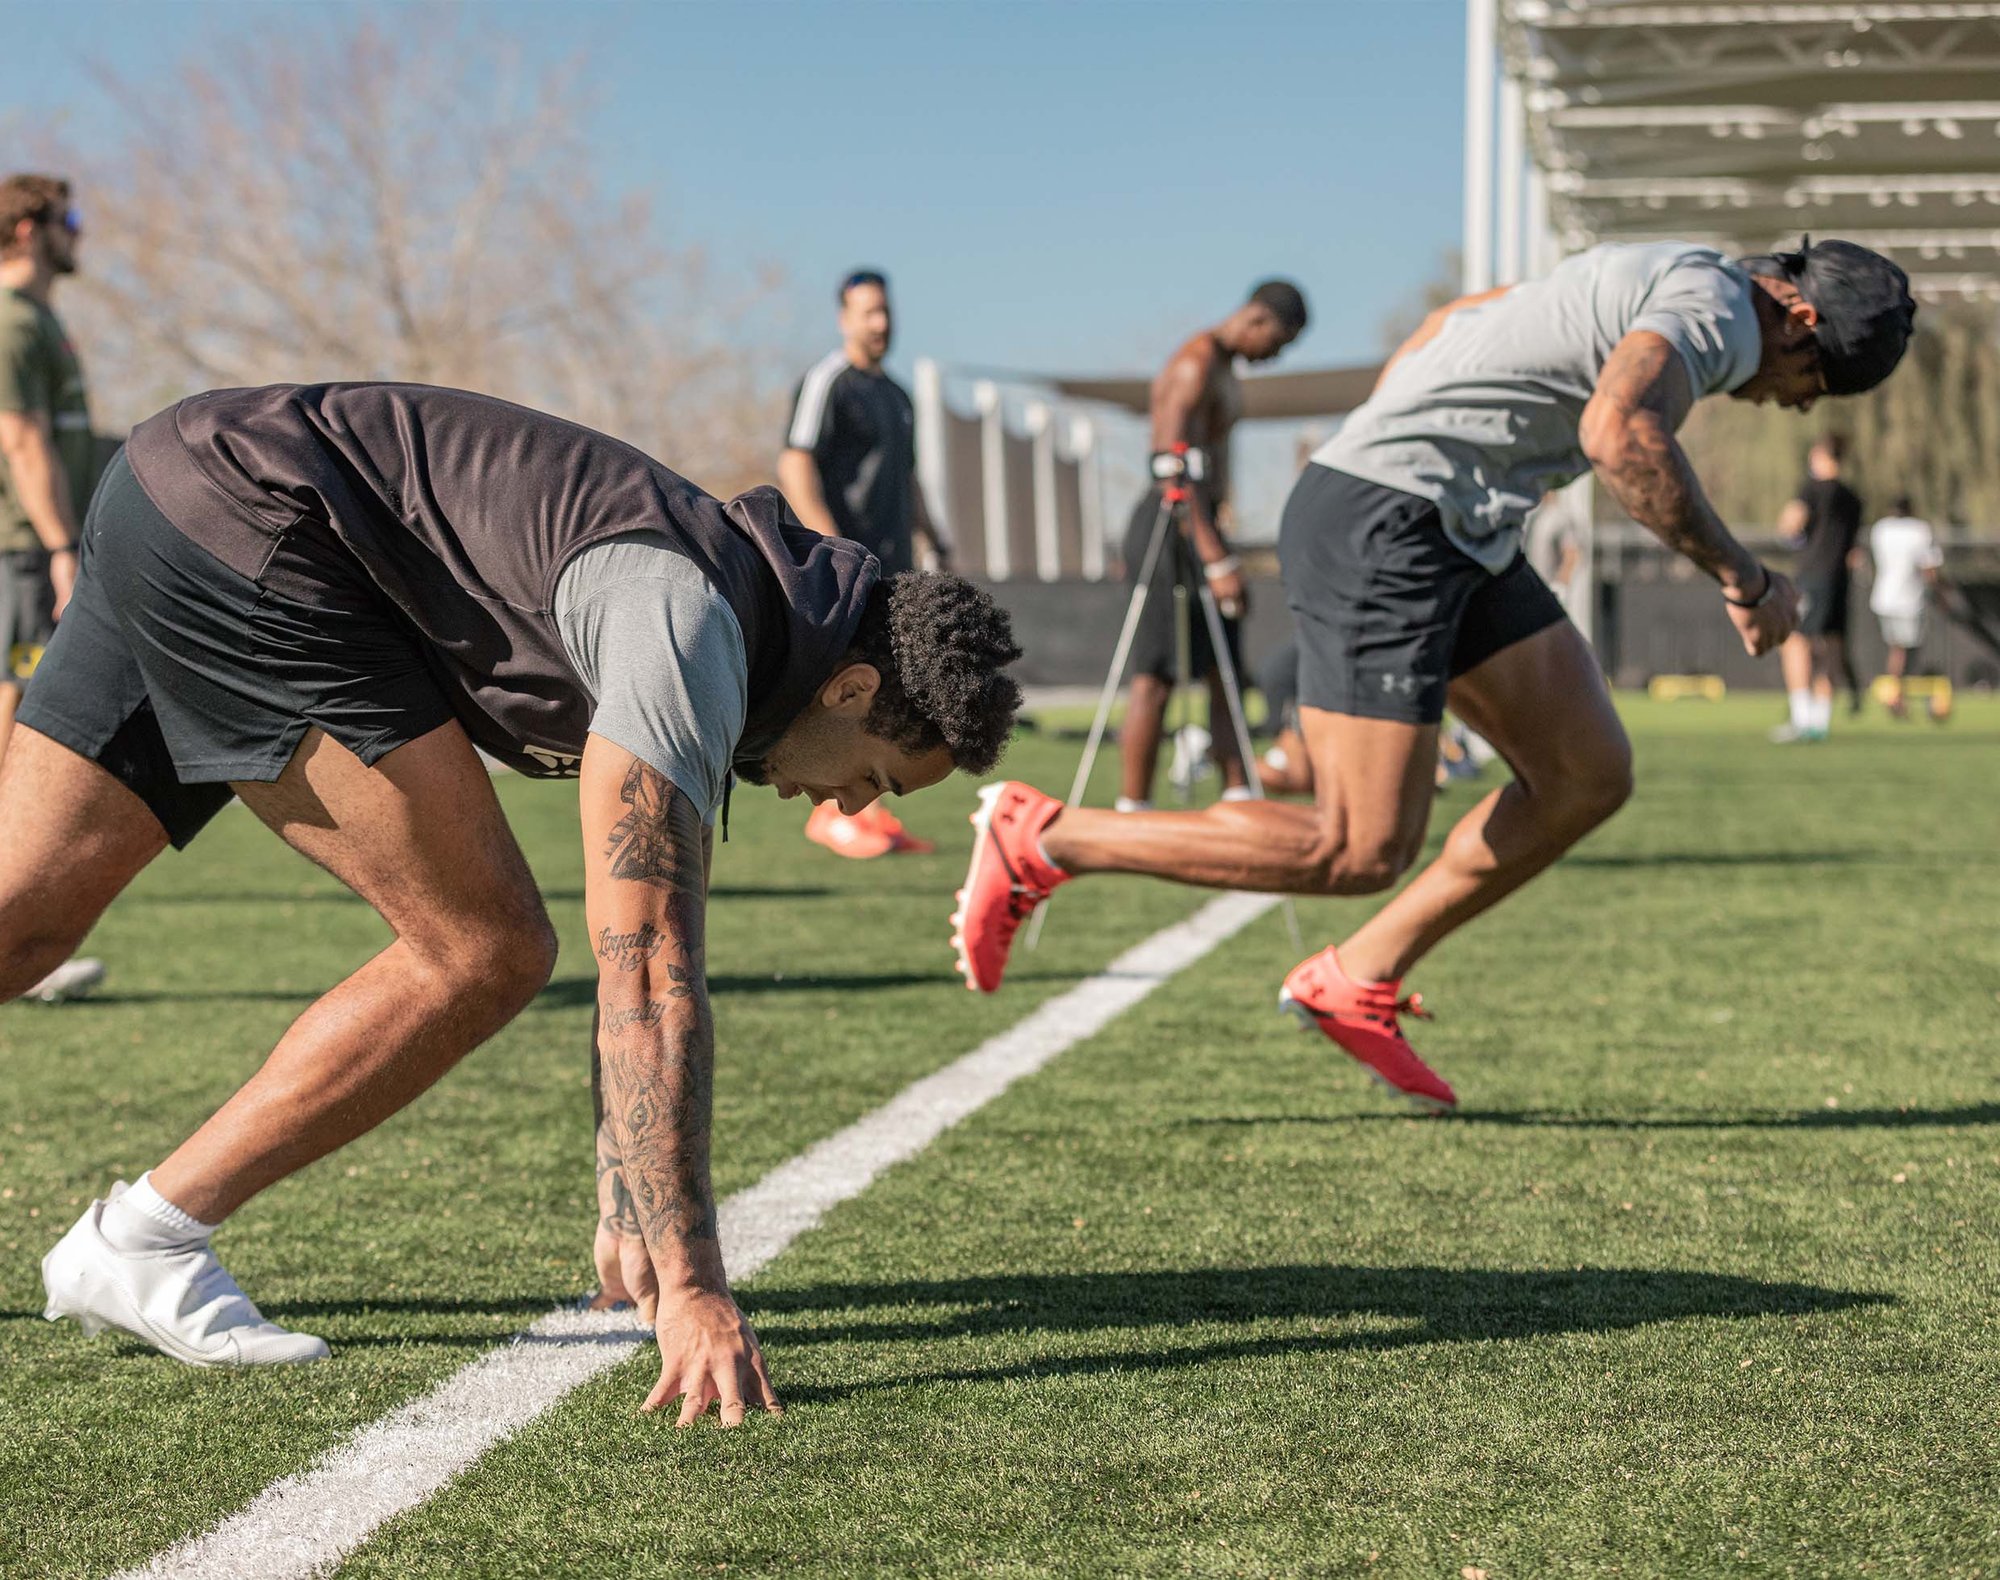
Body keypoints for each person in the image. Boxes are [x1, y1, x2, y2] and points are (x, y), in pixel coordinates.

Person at [13, 382, 1023, 1423]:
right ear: (851, 691)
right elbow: (645, 964)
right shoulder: (691, 630)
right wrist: (692, 1285)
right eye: (877, 776)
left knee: (21, 925)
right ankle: (143, 1236)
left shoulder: (756, 626)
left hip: (169, 484)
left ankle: (139, 1239)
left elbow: (639, 933)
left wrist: (629, 1183)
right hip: (255, 530)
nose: (853, 801)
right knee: (482, 949)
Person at [951, 237, 1915, 1112]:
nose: (1793, 402)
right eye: (1812, 378)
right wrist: (1743, 580)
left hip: (1453, 526)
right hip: (1391, 523)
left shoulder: (1676, 266)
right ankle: (1046, 839)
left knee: (1587, 771)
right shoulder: (1717, 313)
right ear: (1797, 316)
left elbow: (1456, 318)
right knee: (1356, 850)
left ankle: (1356, 977)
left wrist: (1407, 429)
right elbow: (1619, 435)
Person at [1115, 281, 1308, 812]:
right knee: (1155, 674)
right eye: (1279, 342)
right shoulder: (1193, 365)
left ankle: (1241, 797)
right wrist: (1216, 557)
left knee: (1224, 670)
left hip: (1203, 529)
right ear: (1257, 320)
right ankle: (1135, 809)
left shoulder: (1225, 368)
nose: (1276, 356)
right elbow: (1170, 469)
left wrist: (1220, 540)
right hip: (1167, 527)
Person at [780, 268, 947, 859]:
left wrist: (935, 538)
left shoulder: (898, 396)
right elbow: (796, 462)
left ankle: (865, 815)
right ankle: (828, 816)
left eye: (885, 311)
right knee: (842, 688)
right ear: (845, 318)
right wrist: (831, 549)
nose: (880, 323)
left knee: (886, 692)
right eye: (868, 312)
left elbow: (906, 479)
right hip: (845, 569)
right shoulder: (829, 381)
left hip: (893, 570)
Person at [0, 174, 103, 1004]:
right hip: (22, 555)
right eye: (71, 220)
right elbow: (21, 441)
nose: (82, 233)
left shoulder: (42, 320)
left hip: (32, 553)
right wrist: (62, 546)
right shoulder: (9, 320)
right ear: (31, 228)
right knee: (17, 735)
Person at [1771, 434, 1865, 742]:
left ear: (1820, 455)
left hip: (1813, 576)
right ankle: (1820, 723)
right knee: (1830, 645)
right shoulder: (1853, 498)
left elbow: (1790, 523)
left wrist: (1792, 534)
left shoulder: (1812, 490)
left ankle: (1801, 718)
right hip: (1840, 580)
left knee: (1794, 642)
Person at [1867, 494, 1943, 719]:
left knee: (1896, 647)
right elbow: (1929, 568)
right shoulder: (1920, 530)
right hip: (1909, 600)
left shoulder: (1880, 529)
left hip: (1883, 598)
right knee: (1905, 650)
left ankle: (1898, 694)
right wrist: (1940, 590)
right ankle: (1897, 697)